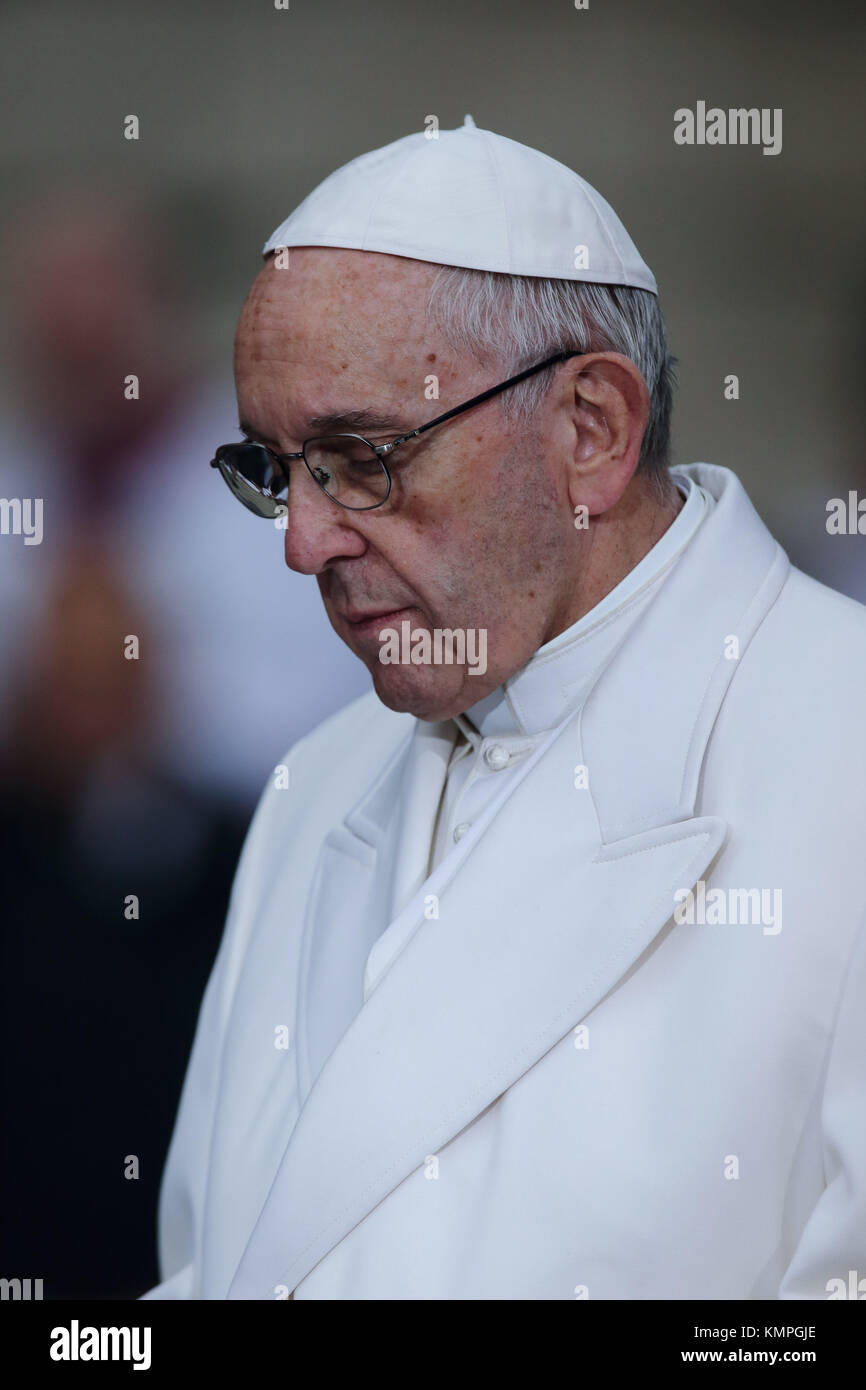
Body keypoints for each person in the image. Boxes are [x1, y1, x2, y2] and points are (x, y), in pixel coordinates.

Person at [142, 118, 866, 1301]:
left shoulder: (837, 754)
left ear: (589, 429)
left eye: (361, 456)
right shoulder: (312, 784)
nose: (303, 542)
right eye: (275, 469)